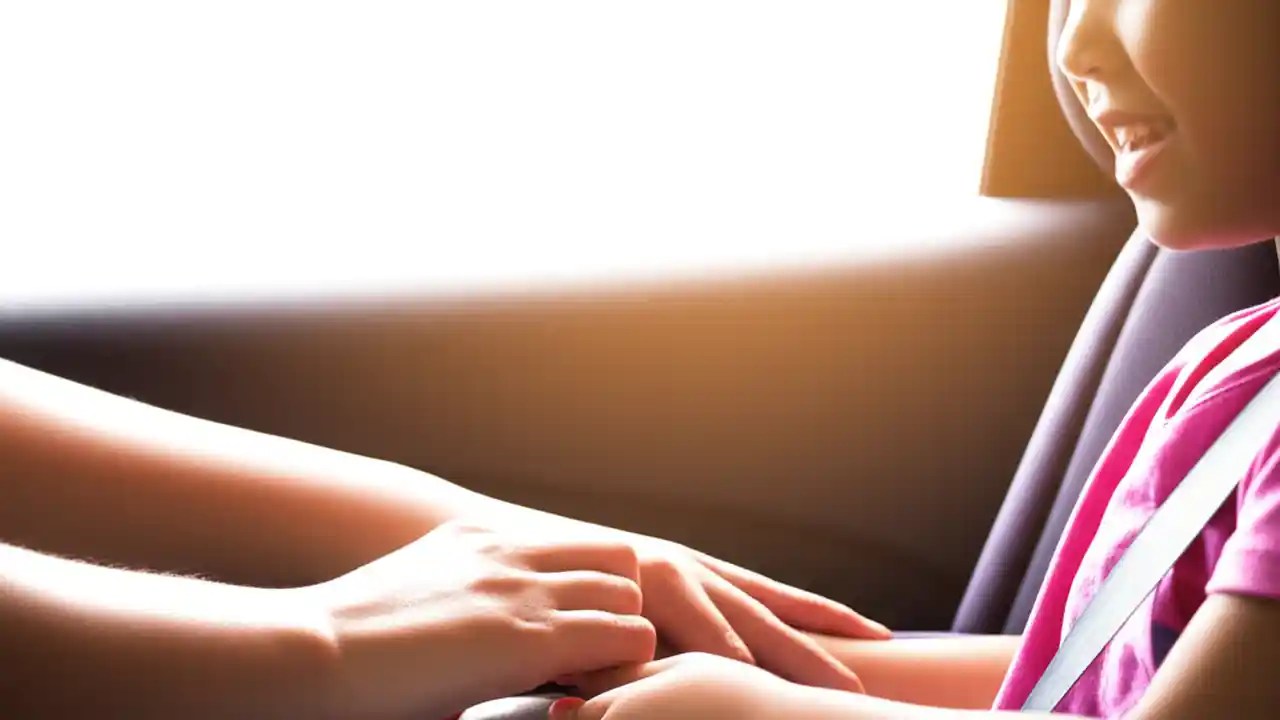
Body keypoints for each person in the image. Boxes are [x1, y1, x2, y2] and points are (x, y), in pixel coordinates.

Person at [545, 1, 1280, 718]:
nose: (1072, 46)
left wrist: (768, 713)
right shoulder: (1229, 365)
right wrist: (746, 661)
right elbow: (1097, 677)